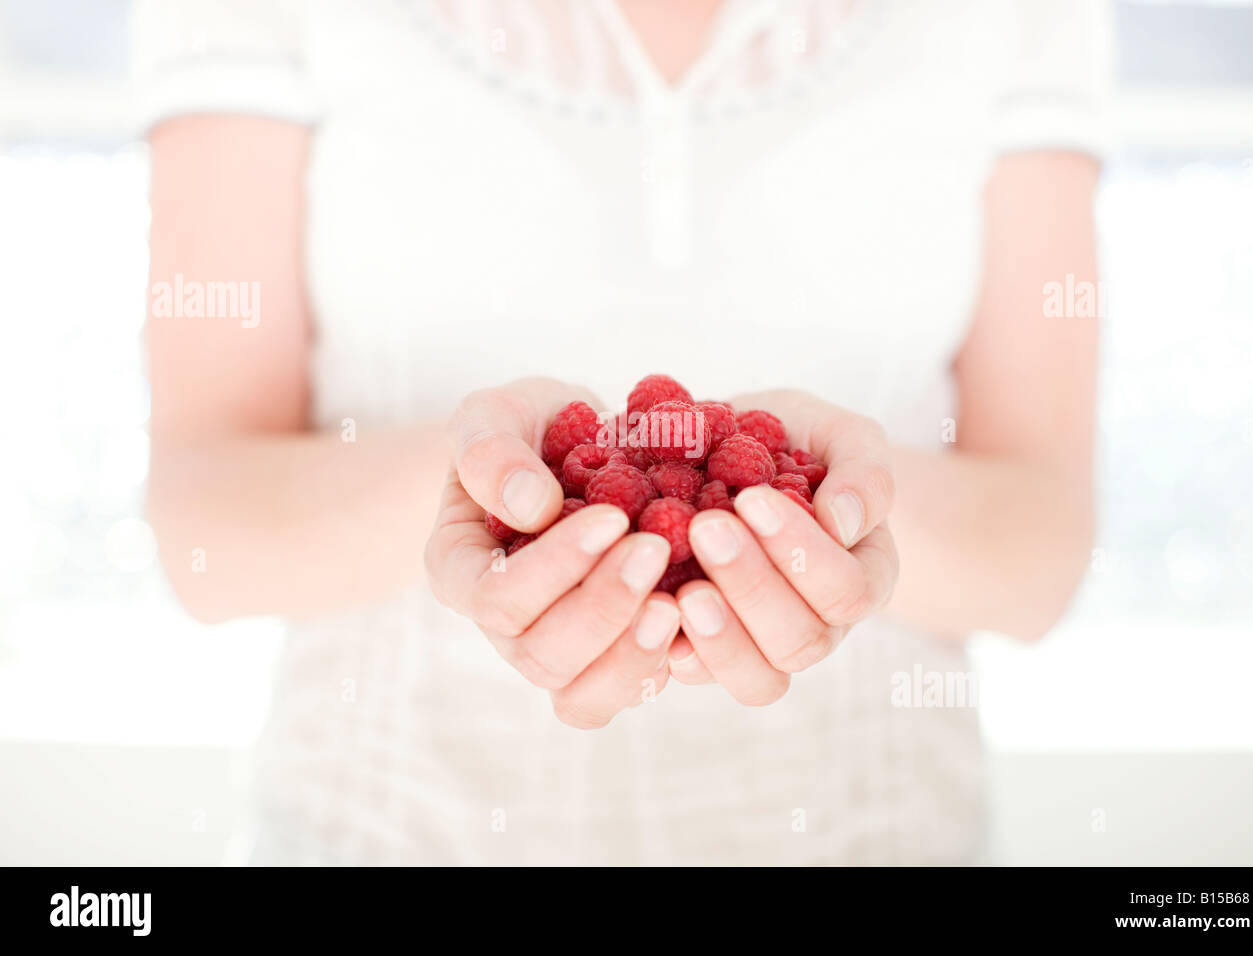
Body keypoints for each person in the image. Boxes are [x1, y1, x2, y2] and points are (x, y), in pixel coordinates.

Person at [138, 0, 1109, 864]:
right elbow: (206, 540)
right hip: (388, 835)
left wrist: (822, 507)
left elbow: (1039, 553)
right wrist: (489, 486)